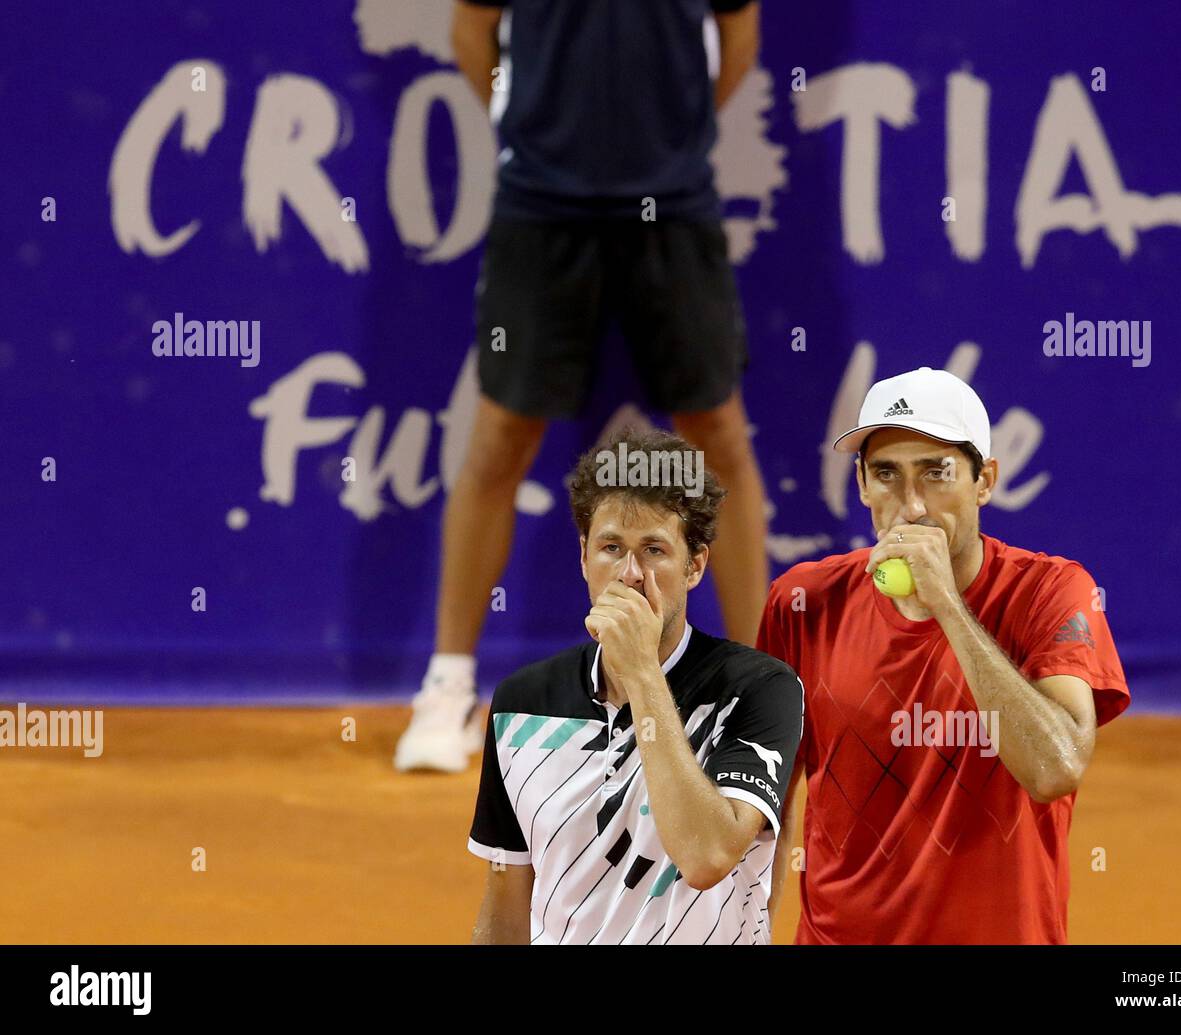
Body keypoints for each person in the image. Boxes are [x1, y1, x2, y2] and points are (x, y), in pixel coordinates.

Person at [395, 0, 769, 772]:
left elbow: (739, 34)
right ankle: (449, 685)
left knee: (719, 434)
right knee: (500, 435)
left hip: (675, 205)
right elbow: (473, 24)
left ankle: (760, 691)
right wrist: (526, 117)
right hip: (542, 205)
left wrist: (672, 136)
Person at [757, 366, 1131, 944]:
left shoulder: (1050, 593)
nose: (911, 506)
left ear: (985, 481)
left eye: (937, 474)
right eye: (886, 474)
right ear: (860, 484)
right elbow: (769, 803)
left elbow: (1055, 768)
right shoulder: (804, 603)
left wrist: (949, 608)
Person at [467, 428, 803, 943]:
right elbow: (507, 900)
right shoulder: (521, 703)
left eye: (653, 550)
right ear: (583, 558)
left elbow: (706, 855)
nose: (629, 575)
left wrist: (642, 671)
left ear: (694, 566)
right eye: (610, 548)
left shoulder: (757, 689)